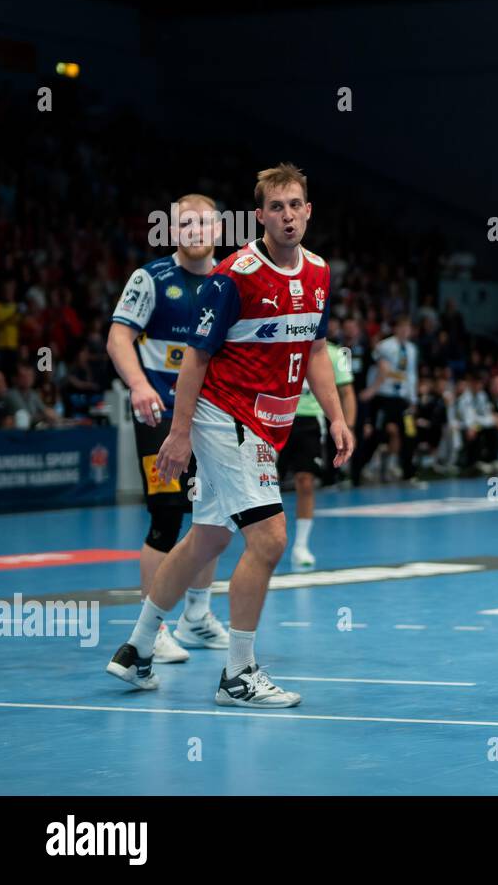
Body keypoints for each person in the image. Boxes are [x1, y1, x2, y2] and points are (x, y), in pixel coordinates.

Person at [106, 163, 353, 707]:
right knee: (268, 540)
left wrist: (336, 416)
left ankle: (137, 648)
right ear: (260, 215)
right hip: (228, 417)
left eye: (296, 206)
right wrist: (179, 433)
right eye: (276, 208)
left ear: (308, 211)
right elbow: (195, 360)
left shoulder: (318, 273)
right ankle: (237, 676)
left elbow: (313, 350)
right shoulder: (233, 275)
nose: (287, 216)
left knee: (209, 538)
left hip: (273, 424)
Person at [106, 194, 230, 662]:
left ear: (217, 231)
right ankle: (151, 627)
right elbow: (118, 338)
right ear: (173, 231)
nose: (195, 231)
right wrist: (139, 386)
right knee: (166, 513)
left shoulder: (228, 282)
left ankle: (197, 618)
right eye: (186, 224)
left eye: (204, 224)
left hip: (212, 418)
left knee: (213, 515)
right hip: (159, 415)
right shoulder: (150, 279)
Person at [280, 339, 356, 566]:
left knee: (305, 481)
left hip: (310, 421)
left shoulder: (333, 353)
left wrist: (348, 427)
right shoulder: (281, 343)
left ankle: (301, 546)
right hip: (276, 417)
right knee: (266, 484)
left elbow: (347, 391)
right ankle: (262, 542)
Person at [354, 316, 417, 483]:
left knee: (409, 432)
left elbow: (411, 375)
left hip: (402, 398)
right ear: (396, 329)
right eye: (402, 328)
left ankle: (408, 474)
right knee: (376, 434)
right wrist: (371, 391)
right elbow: (376, 370)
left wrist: (413, 399)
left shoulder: (411, 349)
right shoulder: (384, 346)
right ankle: (360, 470)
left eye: (408, 328)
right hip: (383, 397)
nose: (405, 331)